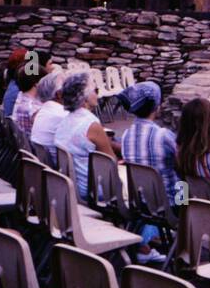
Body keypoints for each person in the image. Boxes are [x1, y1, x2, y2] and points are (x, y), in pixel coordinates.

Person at [53, 71, 121, 199]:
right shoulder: (91, 123)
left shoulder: (65, 121)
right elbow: (111, 162)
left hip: (73, 185)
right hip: (93, 190)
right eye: (95, 90)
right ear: (84, 97)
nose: (97, 94)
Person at [118, 81, 180, 206]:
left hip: (141, 203)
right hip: (168, 204)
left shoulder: (126, 135)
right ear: (157, 107)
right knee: (184, 182)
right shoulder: (164, 135)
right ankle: (185, 216)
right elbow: (182, 165)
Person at [29, 70, 67, 152]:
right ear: (59, 94)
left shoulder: (42, 111)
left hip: (44, 162)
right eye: (68, 87)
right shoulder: (63, 115)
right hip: (57, 163)